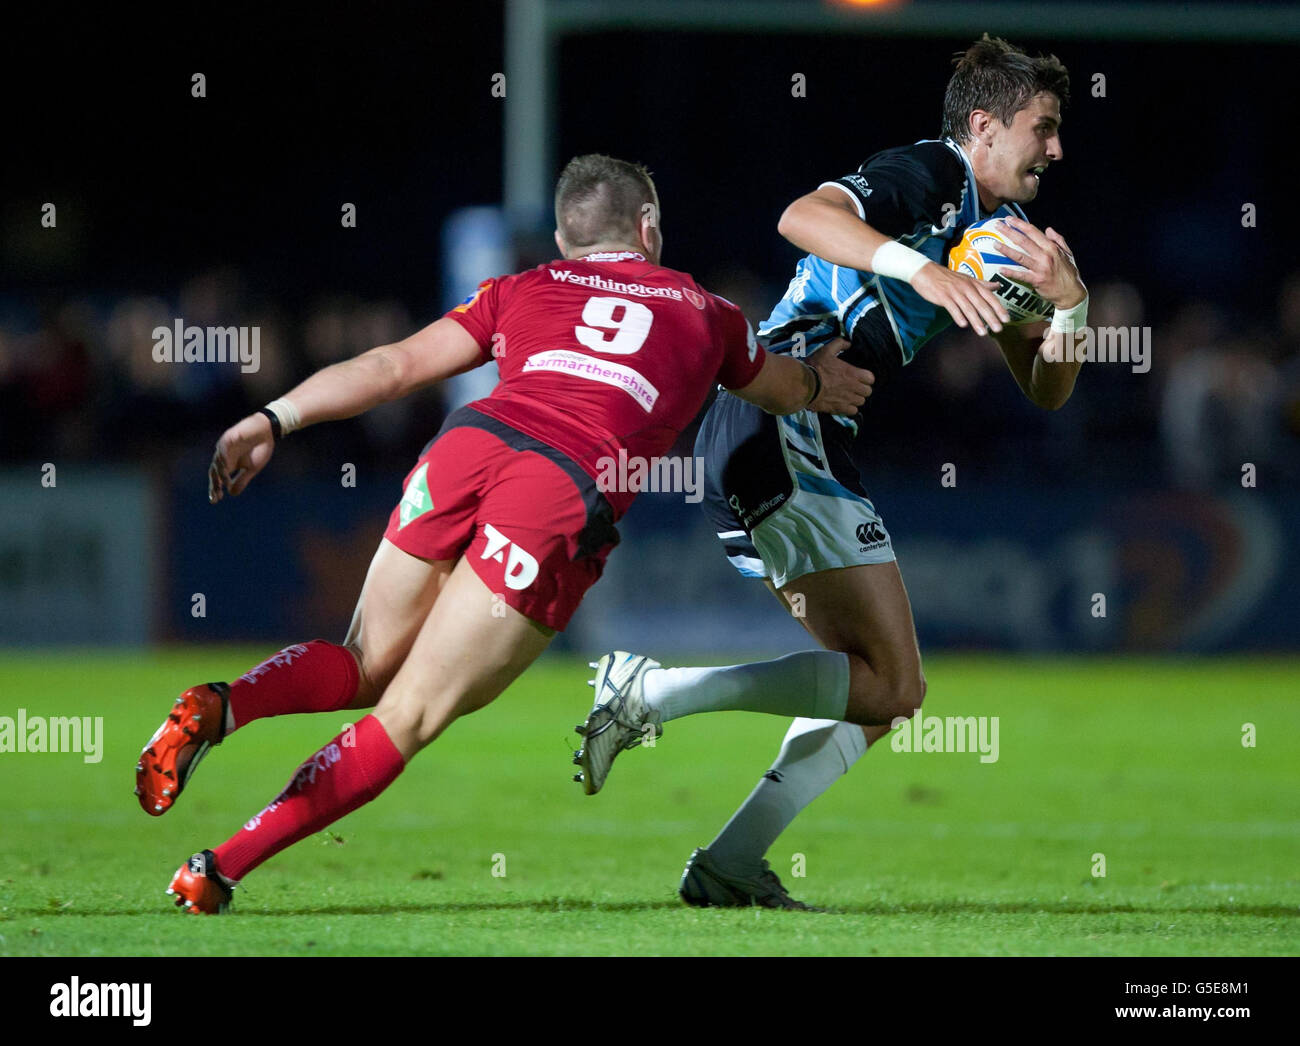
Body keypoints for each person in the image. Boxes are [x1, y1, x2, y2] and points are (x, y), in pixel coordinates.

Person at [137, 153, 874, 913]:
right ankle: (218, 866)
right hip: (558, 489)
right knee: (411, 715)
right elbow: (781, 388)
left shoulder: (521, 288)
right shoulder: (705, 312)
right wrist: (823, 381)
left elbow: (393, 366)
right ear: (648, 227)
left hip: (467, 448)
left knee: (363, 664)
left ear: (563, 238)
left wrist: (273, 418)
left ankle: (220, 706)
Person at [573, 37, 1088, 909]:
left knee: (877, 692)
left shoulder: (992, 241)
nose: (1056, 149)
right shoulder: (930, 172)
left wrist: (1073, 310)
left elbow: (1045, 389)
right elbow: (801, 216)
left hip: (791, 429)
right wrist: (916, 266)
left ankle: (730, 863)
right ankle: (652, 691)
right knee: (895, 683)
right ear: (984, 127)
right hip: (786, 411)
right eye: (1043, 128)